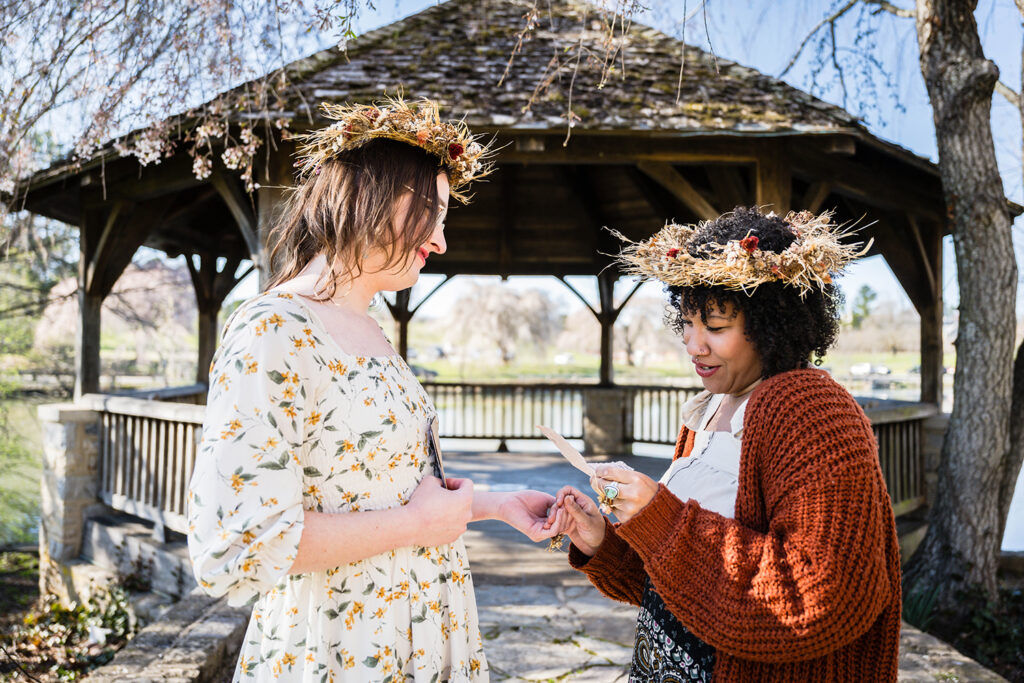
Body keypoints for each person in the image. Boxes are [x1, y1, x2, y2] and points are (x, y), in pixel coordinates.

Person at [187, 98, 565, 682]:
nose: (440, 241)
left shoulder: (371, 328)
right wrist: (418, 525)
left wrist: (495, 504)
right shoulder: (273, 330)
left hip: (425, 628)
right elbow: (238, 547)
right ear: (369, 197)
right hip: (339, 646)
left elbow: (388, 489)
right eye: (431, 214)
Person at [551, 207, 902, 682]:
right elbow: (690, 585)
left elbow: (819, 596)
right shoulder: (708, 410)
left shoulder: (811, 411)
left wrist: (659, 515)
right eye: (688, 323)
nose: (694, 344)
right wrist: (602, 543)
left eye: (715, 326)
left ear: (772, 324)